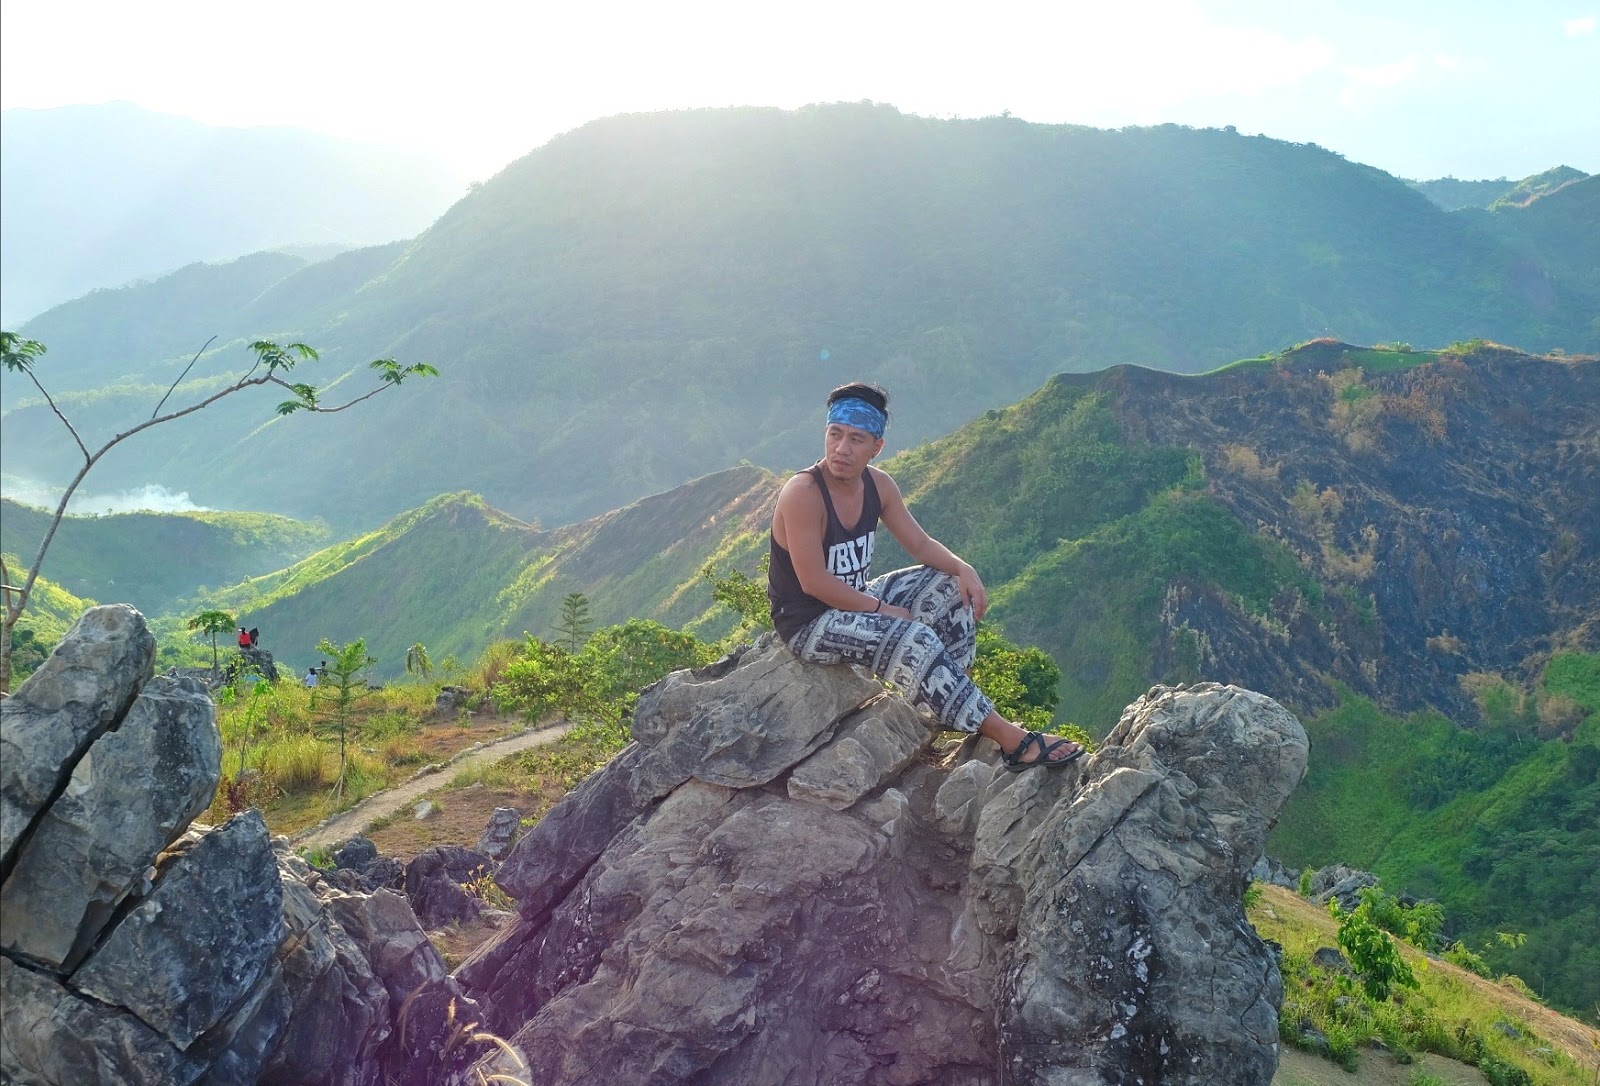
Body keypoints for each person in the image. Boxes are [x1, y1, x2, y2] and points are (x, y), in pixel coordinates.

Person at [767, 381, 1084, 770]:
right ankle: (1013, 741)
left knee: (950, 586)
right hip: (809, 622)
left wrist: (963, 568)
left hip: (855, 597)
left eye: (856, 439)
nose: (841, 448)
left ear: (876, 447)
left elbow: (918, 544)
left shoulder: (878, 485)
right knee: (913, 637)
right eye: (835, 434)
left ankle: (951, 702)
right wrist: (882, 609)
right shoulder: (804, 493)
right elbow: (813, 582)